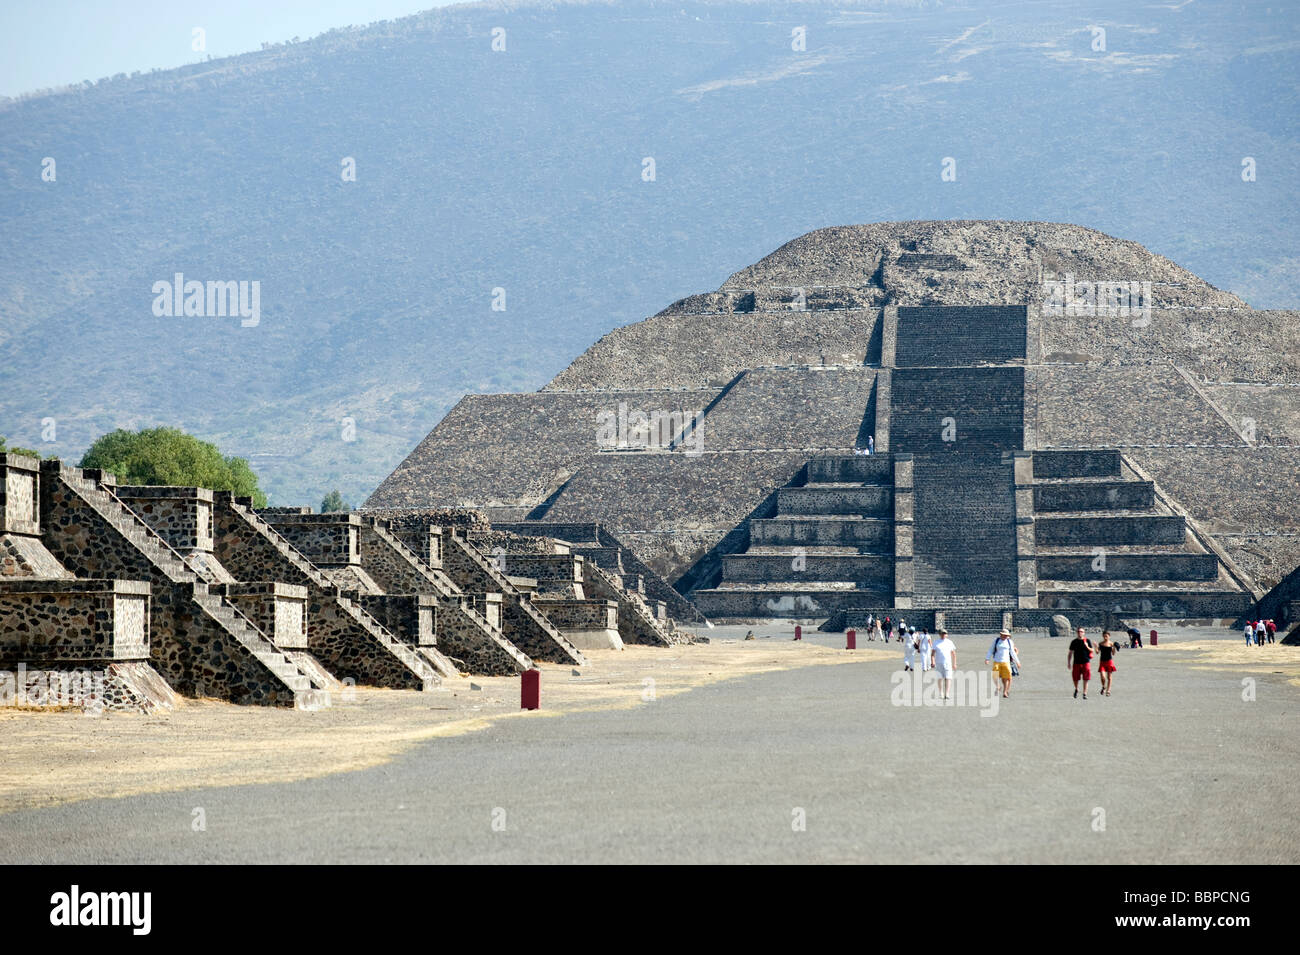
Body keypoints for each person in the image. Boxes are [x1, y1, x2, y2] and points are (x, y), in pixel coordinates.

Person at [985, 629, 1019, 698]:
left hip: (1006, 662)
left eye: (1006, 635)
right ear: (1001, 635)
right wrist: (987, 658)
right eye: (1004, 635)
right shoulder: (996, 641)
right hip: (997, 661)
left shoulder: (1009, 642)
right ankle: (998, 686)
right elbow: (991, 649)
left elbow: (1013, 652)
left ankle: (1005, 692)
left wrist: (1017, 662)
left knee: (1006, 677)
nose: (1005, 636)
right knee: (994, 675)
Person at [1069, 626, 1095, 699]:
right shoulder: (1074, 642)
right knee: (1075, 678)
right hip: (1076, 662)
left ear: (1084, 633)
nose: (1080, 633)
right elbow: (1070, 653)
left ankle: (1084, 693)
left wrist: (1087, 646)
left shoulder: (1087, 641)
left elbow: (1092, 650)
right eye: (1078, 632)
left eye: (1081, 631)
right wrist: (1069, 662)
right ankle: (1076, 689)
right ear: (1077, 633)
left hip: (1086, 661)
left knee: (1086, 678)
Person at [932, 627, 957, 700]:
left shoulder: (949, 642)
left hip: (948, 663)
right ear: (939, 634)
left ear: (946, 635)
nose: (943, 635)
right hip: (939, 663)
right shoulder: (936, 642)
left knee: (948, 678)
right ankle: (941, 693)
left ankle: (947, 693)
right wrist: (933, 661)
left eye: (945, 634)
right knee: (940, 678)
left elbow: (953, 654)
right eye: (942, 634)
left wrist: (954, 663)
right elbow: (933, 654)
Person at [1096, 630, 1117, 696]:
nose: (1105, 637)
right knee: (1103, 677)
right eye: (1104, 636)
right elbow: (1097, 652)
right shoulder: (1101, 643)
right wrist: (1095, 646)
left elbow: (1113, 654)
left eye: (1107, 636)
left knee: (1109, 677)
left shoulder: (1111, 644)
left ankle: (1108, 690)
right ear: (1103, 636)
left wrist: (1114, 648)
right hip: (1102, 661)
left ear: (1109, 636)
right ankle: (1103, 686)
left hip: (1109, 661)